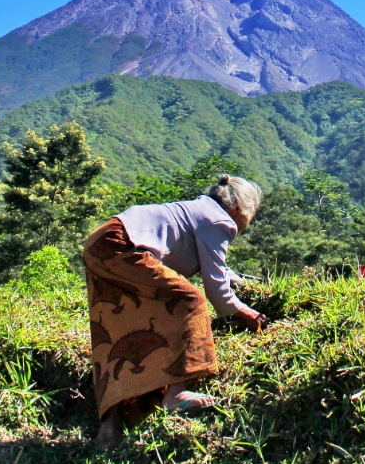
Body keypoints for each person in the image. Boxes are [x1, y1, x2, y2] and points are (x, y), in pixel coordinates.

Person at [83, 174, 268, 448]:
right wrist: (248, 314)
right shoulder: (220, 221)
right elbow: (216, 290)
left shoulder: (201, 210)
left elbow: (217, 267)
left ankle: (110, 428)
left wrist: (243, 283)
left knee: (119, 327)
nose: (247, 222)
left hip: (100, 242)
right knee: (189, 301)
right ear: (240, 207)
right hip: (120, 243)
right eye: (250, 213)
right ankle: (176, 394)